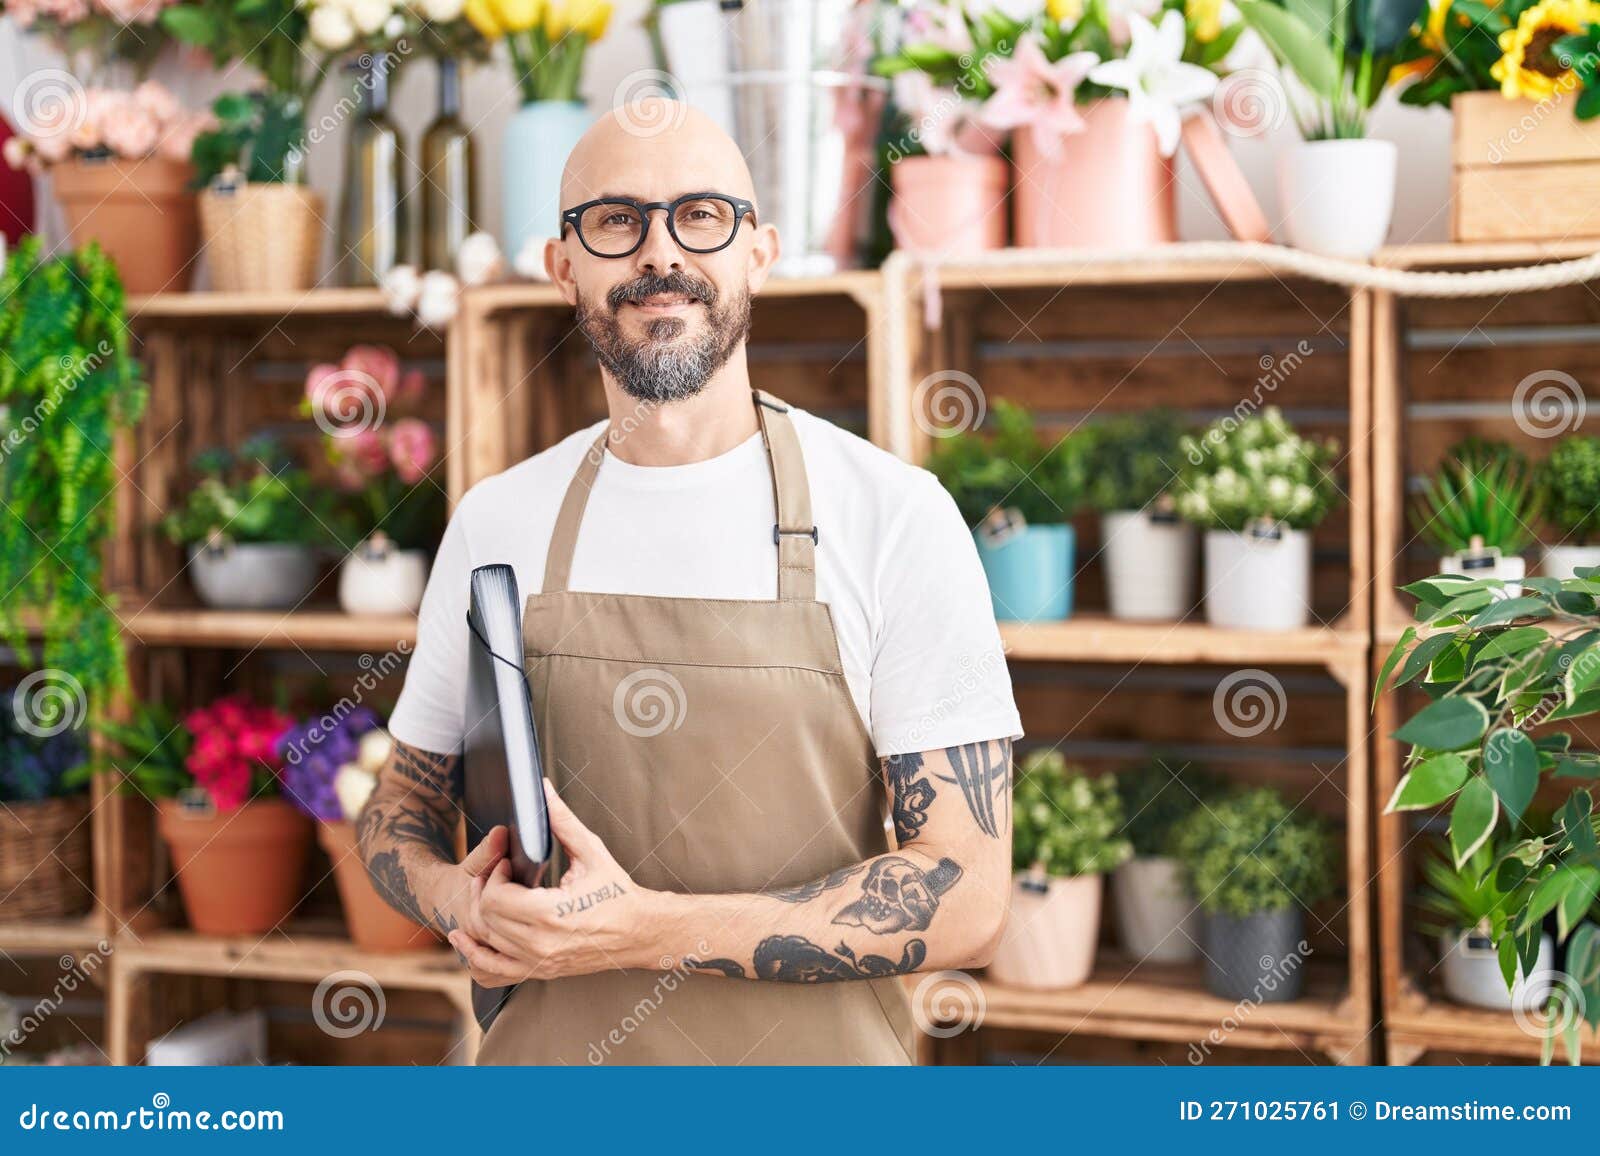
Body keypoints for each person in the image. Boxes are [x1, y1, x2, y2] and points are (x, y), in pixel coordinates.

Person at [358, 98, 1023, 1065]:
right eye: (616, 220)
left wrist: (643, 930)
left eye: (701, 215)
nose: (660, 255)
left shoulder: (893, 515)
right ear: (563, 267)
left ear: (759, 252)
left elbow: (967, 895)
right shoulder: (496, 521)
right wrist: (459, 898)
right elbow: (398, 810)